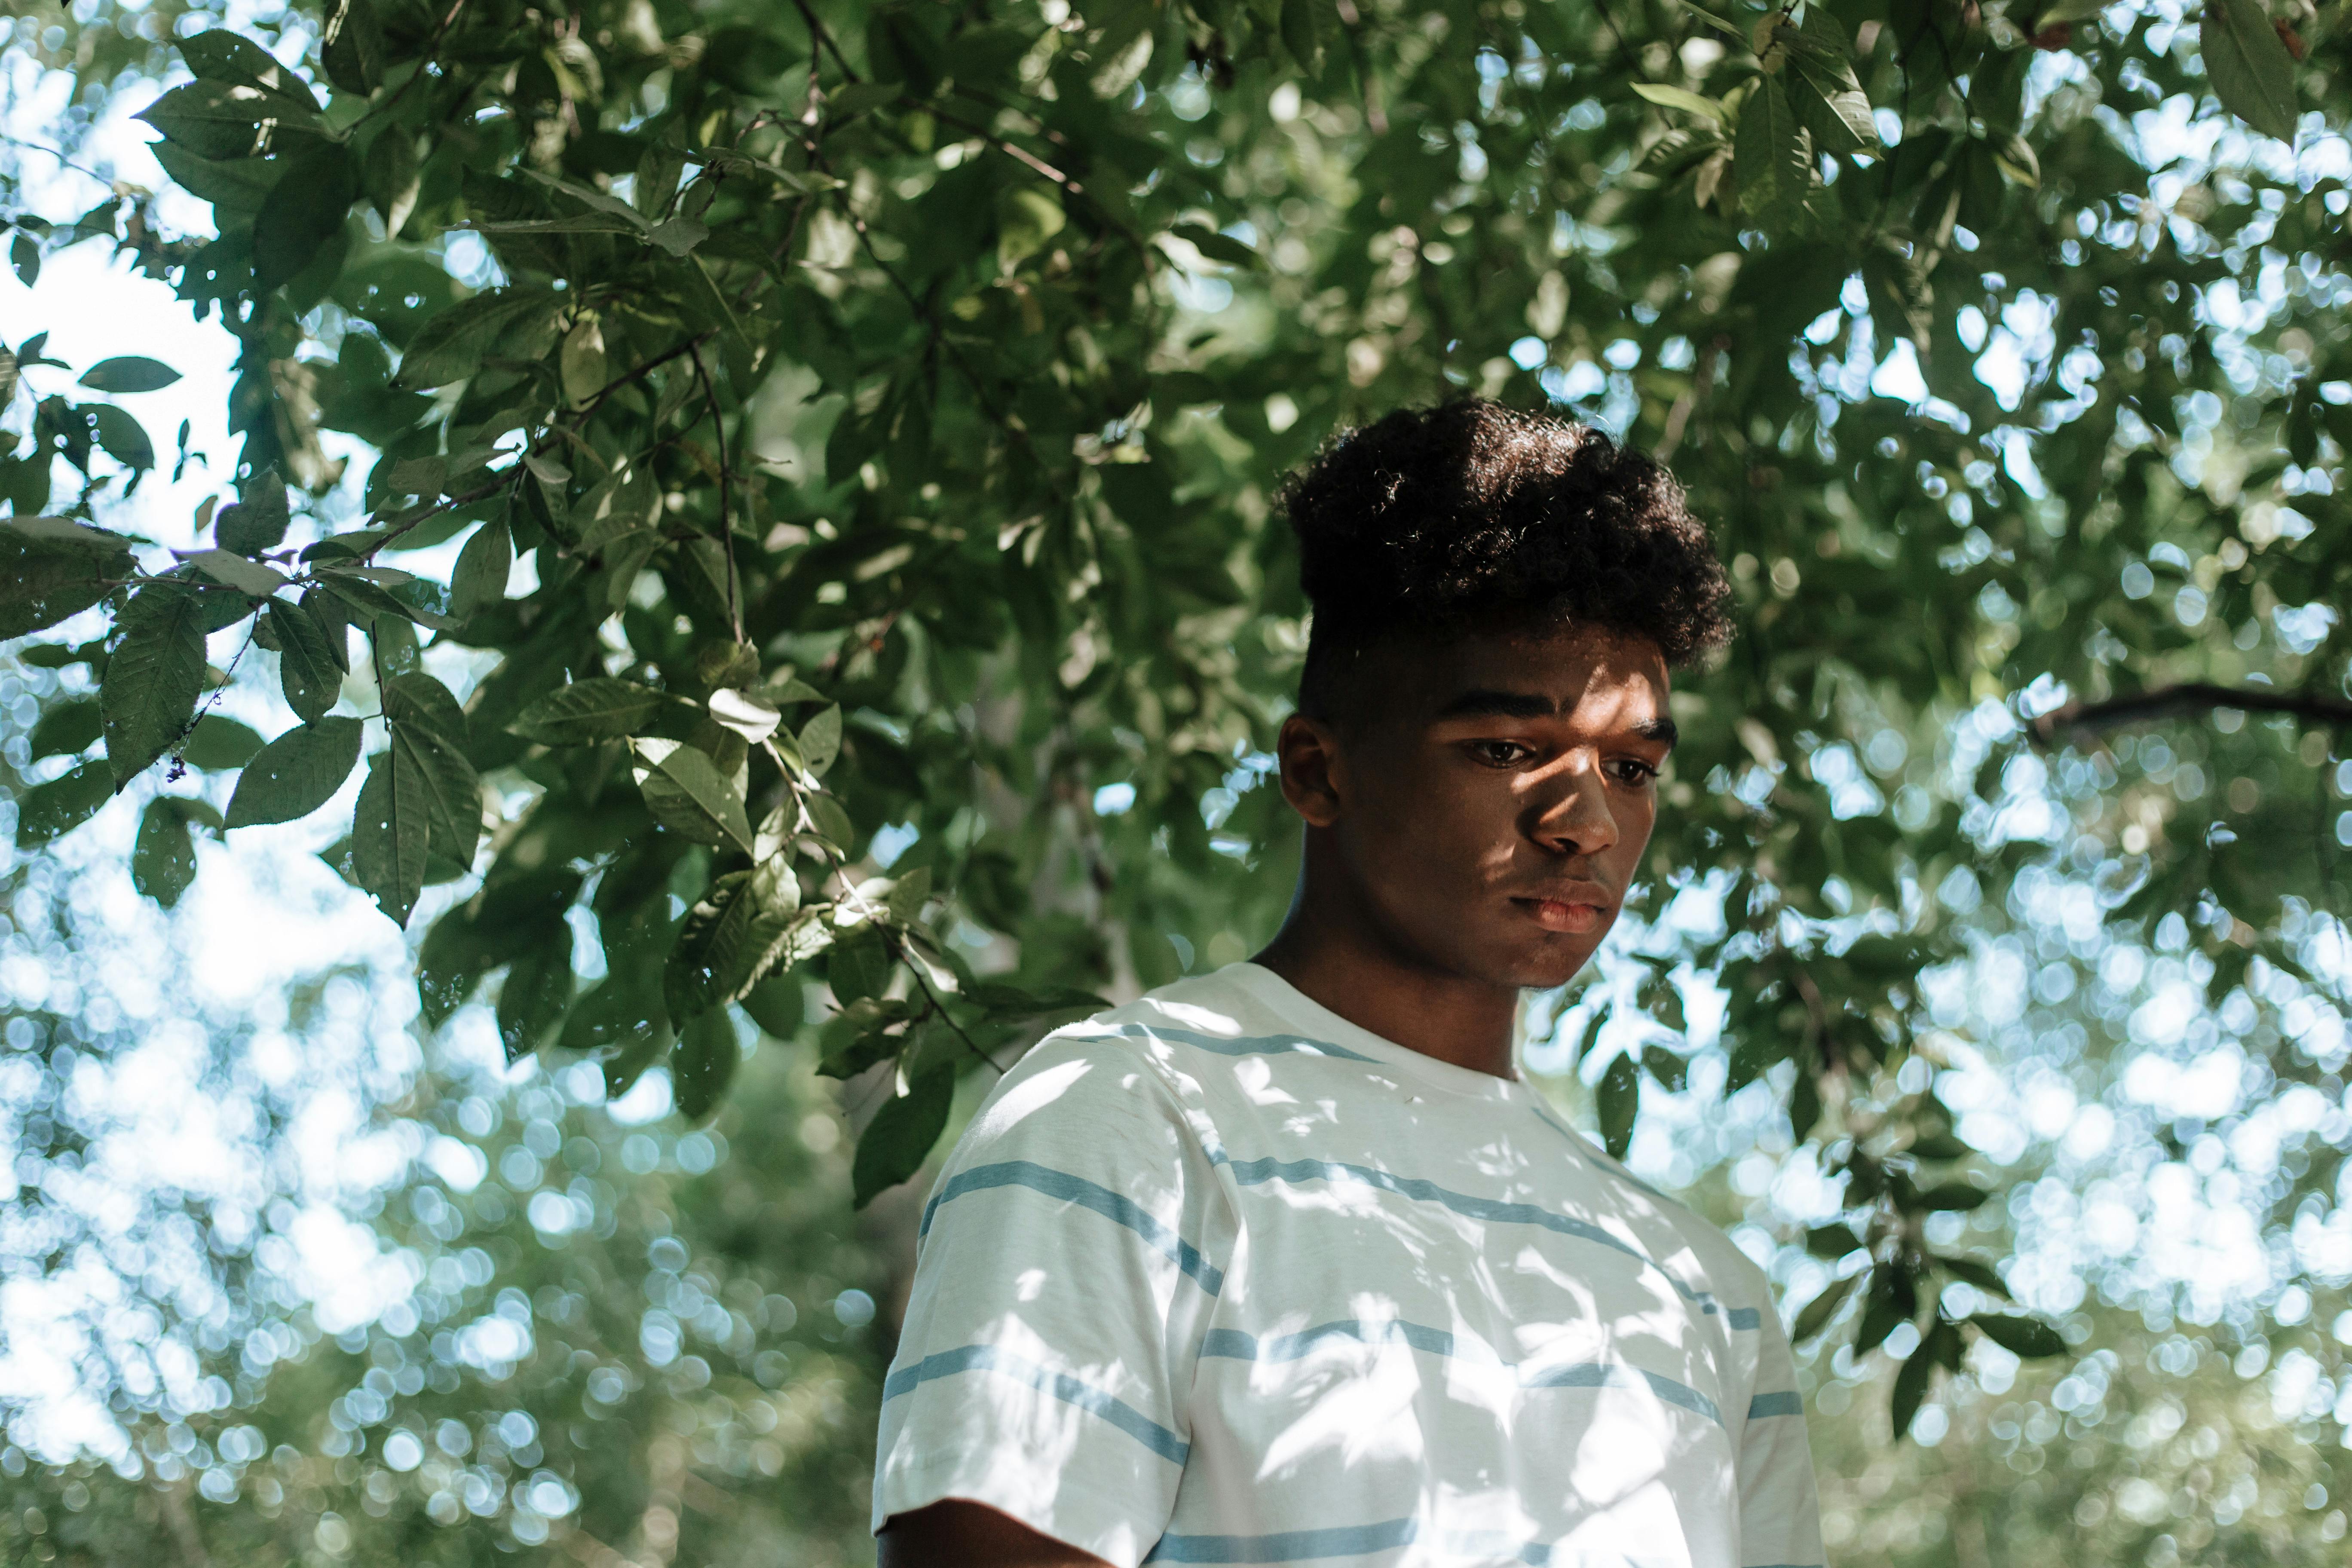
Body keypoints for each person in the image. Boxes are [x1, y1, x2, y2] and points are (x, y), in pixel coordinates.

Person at [871, 400, 1823, 1568]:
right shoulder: (1130, 1127)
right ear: (1318, 772)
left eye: (1631, 768)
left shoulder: (1699, 1288)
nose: (1586, 821)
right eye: (1507, 750)